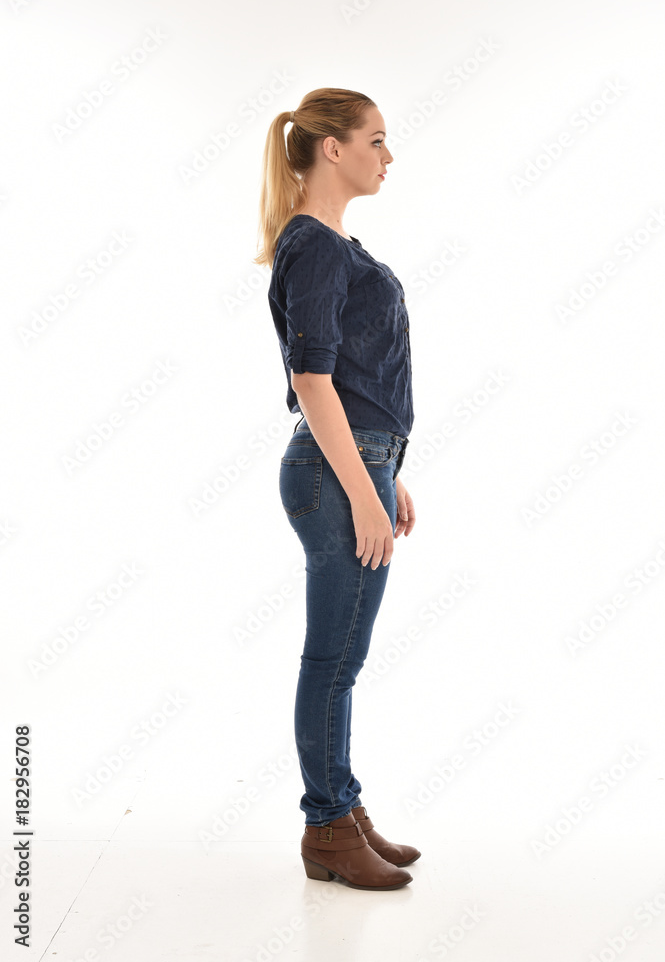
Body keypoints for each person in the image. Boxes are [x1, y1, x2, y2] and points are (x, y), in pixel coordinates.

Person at [255, 88, 420, 891]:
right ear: (331, 148)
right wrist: (362, 490)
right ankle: (326, 823)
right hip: (335, 470)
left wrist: (392, 476)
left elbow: (354, 379)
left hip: (357, 461)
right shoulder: (314, 244)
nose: (387, 157)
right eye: (377, 141)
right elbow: (310, 377)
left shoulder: (332, 243)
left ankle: (343, 810)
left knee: (342, 659)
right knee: (332, 660)